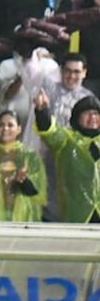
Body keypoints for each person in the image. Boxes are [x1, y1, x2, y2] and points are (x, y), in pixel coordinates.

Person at [0, 110, 48, 221]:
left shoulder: (29, 155)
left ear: (19, 129)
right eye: (1, 125)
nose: (5, 129)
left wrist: (24, 181)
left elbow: (37, 192)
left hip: (22, 219)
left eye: (10, 125)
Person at [34, 90, 100, 221]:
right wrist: (42, 112)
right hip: (77, 215)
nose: (93, 118)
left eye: (97, 114)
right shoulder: (66, 139)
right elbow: (50, 132)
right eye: (88, 113)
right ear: (77, 117)